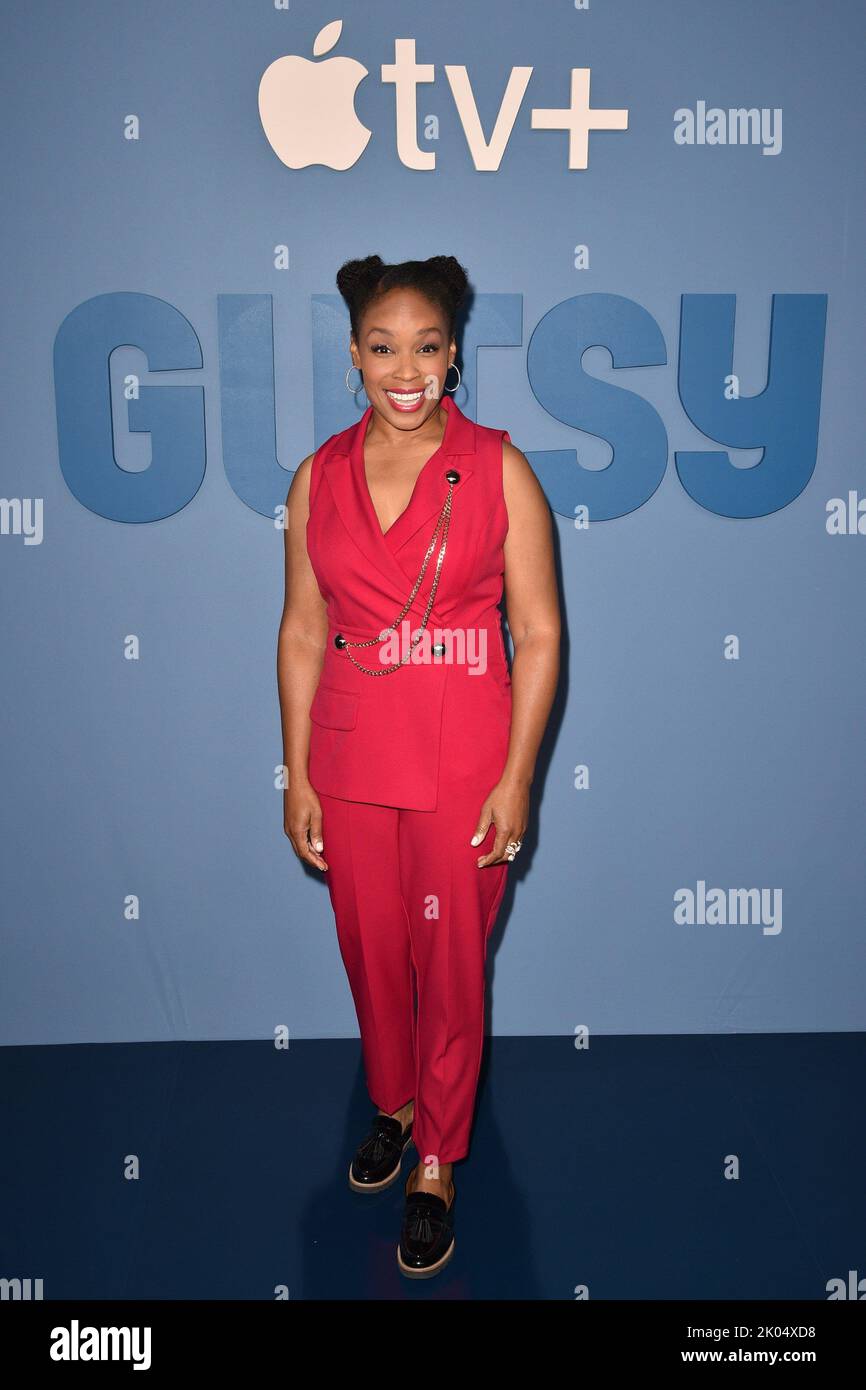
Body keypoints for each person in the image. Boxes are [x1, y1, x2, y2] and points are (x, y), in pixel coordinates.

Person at [277, 254, 560, 1278]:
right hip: (350, 757)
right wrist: (297, 772)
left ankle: (437, 1153)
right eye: (383, 347)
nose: (405, 369)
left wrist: (517, 774)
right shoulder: (317, 475)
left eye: (427, 348)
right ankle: (393, 1103)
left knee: (448, 965)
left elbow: (535, 628)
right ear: (353, 354)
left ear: (452, 356)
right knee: (369, 946)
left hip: (461, 759)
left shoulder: (497, 467)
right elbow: (303, 632)